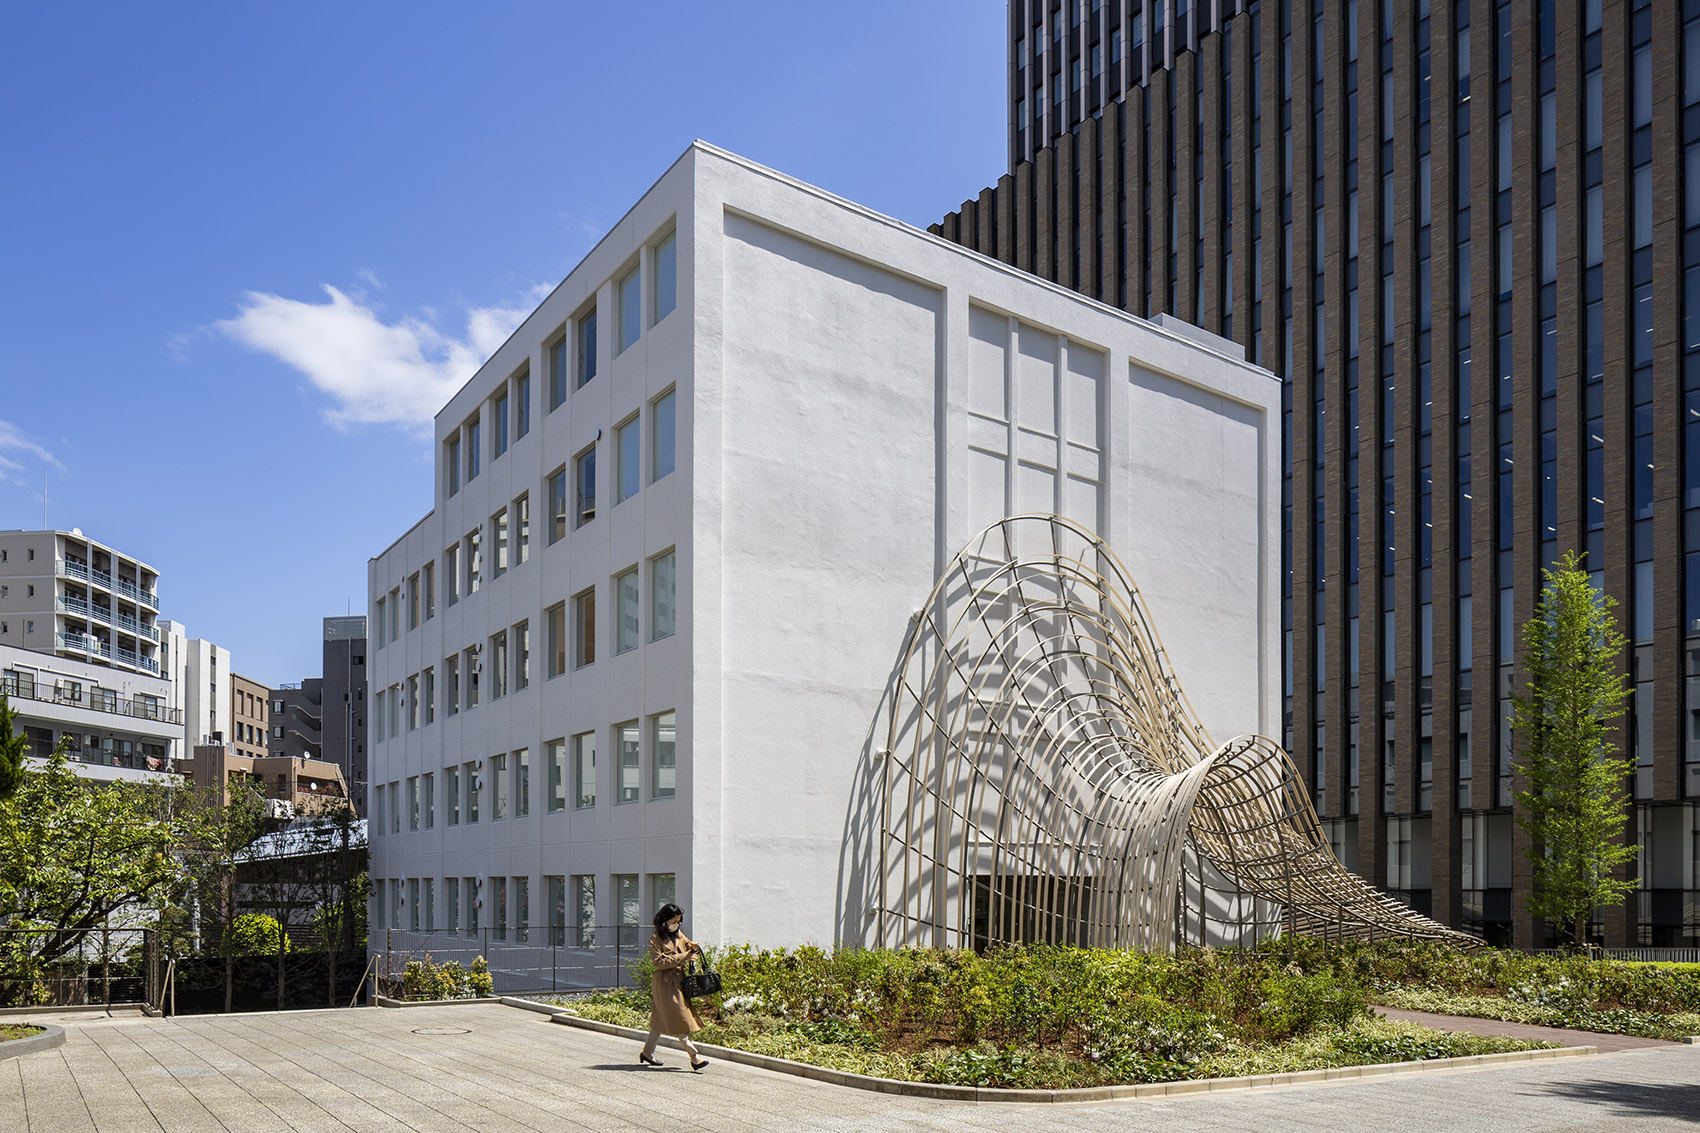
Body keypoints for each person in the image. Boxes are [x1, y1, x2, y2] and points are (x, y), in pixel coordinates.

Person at [638, 902, 708, 1070]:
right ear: (665, 920)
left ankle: (647, 1052)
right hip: (665, 984)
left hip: (679, 982)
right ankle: (694, 1057)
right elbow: (658, 963)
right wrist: (684, 956)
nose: (677, 924)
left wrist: (694, 948)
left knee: (659, 1021)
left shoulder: (678, 935)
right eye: (674, 921)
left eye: (679, 921)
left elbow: (688, 947)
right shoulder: (656, 938)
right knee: (680, 1018)